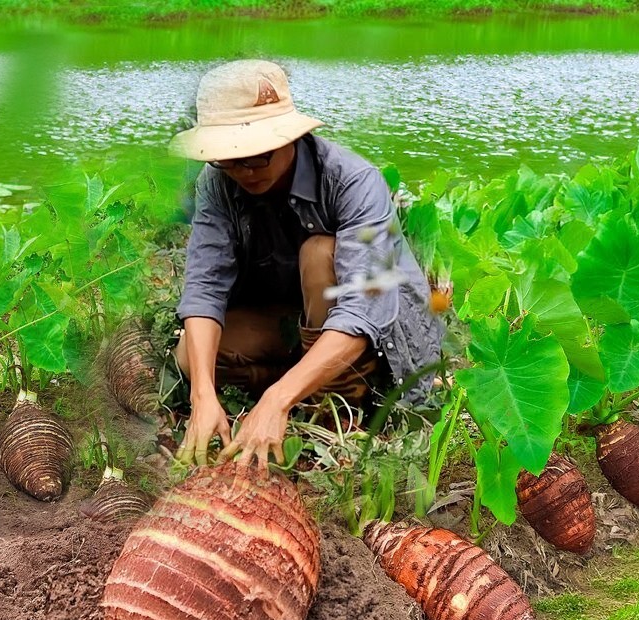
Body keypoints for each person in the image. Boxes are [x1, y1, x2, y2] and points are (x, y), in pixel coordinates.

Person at [169, 59, 444, 468]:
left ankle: (338, 405)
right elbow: (205, 287)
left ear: (291, 139)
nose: (244, 170)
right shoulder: (219, 182)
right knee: (190, 360)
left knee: (318, 253)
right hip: (288, 318)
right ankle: (294, 379)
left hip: (372, 331)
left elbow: (363, 312)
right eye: (229, 158)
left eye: (258, 155)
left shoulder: (353, 181)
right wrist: (202, 396)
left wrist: (276, 401)